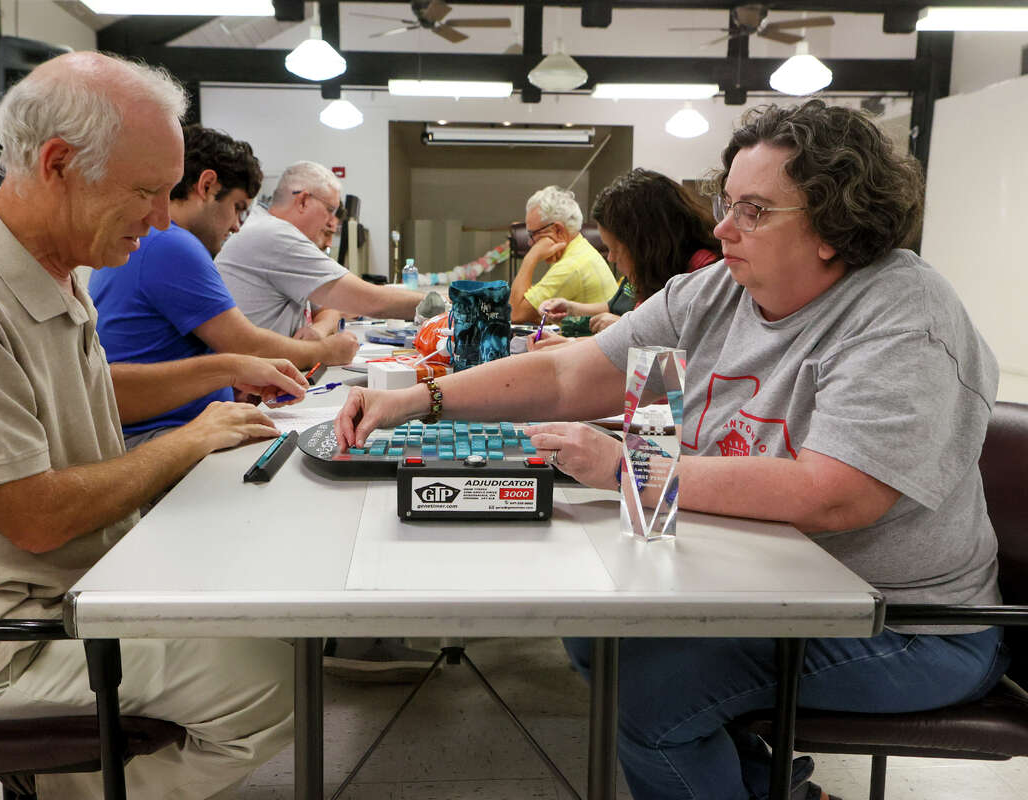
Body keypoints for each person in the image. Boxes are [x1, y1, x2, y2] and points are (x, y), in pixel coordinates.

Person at [334, 100, 1008, 800]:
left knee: (651, 702)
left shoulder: (903, 313)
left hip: (906, 623)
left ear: (833, 227)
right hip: (767, 582)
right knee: (593, 635)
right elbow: (572, 373)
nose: (721, 228)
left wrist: (631, 469)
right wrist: (420, 397)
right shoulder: (716, 291)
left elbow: (837, 494)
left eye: (753, 211)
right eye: (726, 202)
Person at [0, 52, 307, 800]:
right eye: (144, 193)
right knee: (273, 682)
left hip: (81, 582)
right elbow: (33, 514)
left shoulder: (49, 267)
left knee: (269, 589)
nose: (162, 220)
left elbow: (85, 395)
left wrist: (213, 375)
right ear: (59, 163)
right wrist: (188, 439)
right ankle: (63, 791)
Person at [90, 124, 359, 446]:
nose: (235, 225)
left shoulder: (158, 243)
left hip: (165, 423)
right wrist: (326, 350)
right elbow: (246, 344)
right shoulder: (172, 244)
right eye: (237, 208)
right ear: (206, 185)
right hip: (156, 435)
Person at [217, 160, 424, 336]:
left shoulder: (267, 226)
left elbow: (330, 306)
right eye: (330, 210)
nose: (332, 223)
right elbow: (372, 302)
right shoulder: (274, 234)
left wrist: (318, 331)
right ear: (304, 200)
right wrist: (445, 303)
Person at [535, 169, 720, 337]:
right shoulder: (661, 270)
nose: (611, 258)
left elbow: (669, 347)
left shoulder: (701, 280)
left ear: (644, 245)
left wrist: (531, 258)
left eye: (615, 249)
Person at [508, 185, 618, 324]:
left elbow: (515, 314)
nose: (530, 242)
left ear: (558, 230)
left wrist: (531, 257)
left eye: (533, 234)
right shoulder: (579, 249)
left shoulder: (571, 266)